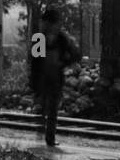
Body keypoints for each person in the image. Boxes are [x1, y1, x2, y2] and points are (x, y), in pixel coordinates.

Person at [29, 8, 81, 147]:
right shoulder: (39, 39)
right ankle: (43, 134)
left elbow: (76, 55)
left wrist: (64, 61)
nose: (51, 26)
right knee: (44, 108)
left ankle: (49, 138)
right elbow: (35, 63)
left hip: (56, 78)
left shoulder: (62, 39)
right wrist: (34, 84)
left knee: (52, 110)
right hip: (42, 79)